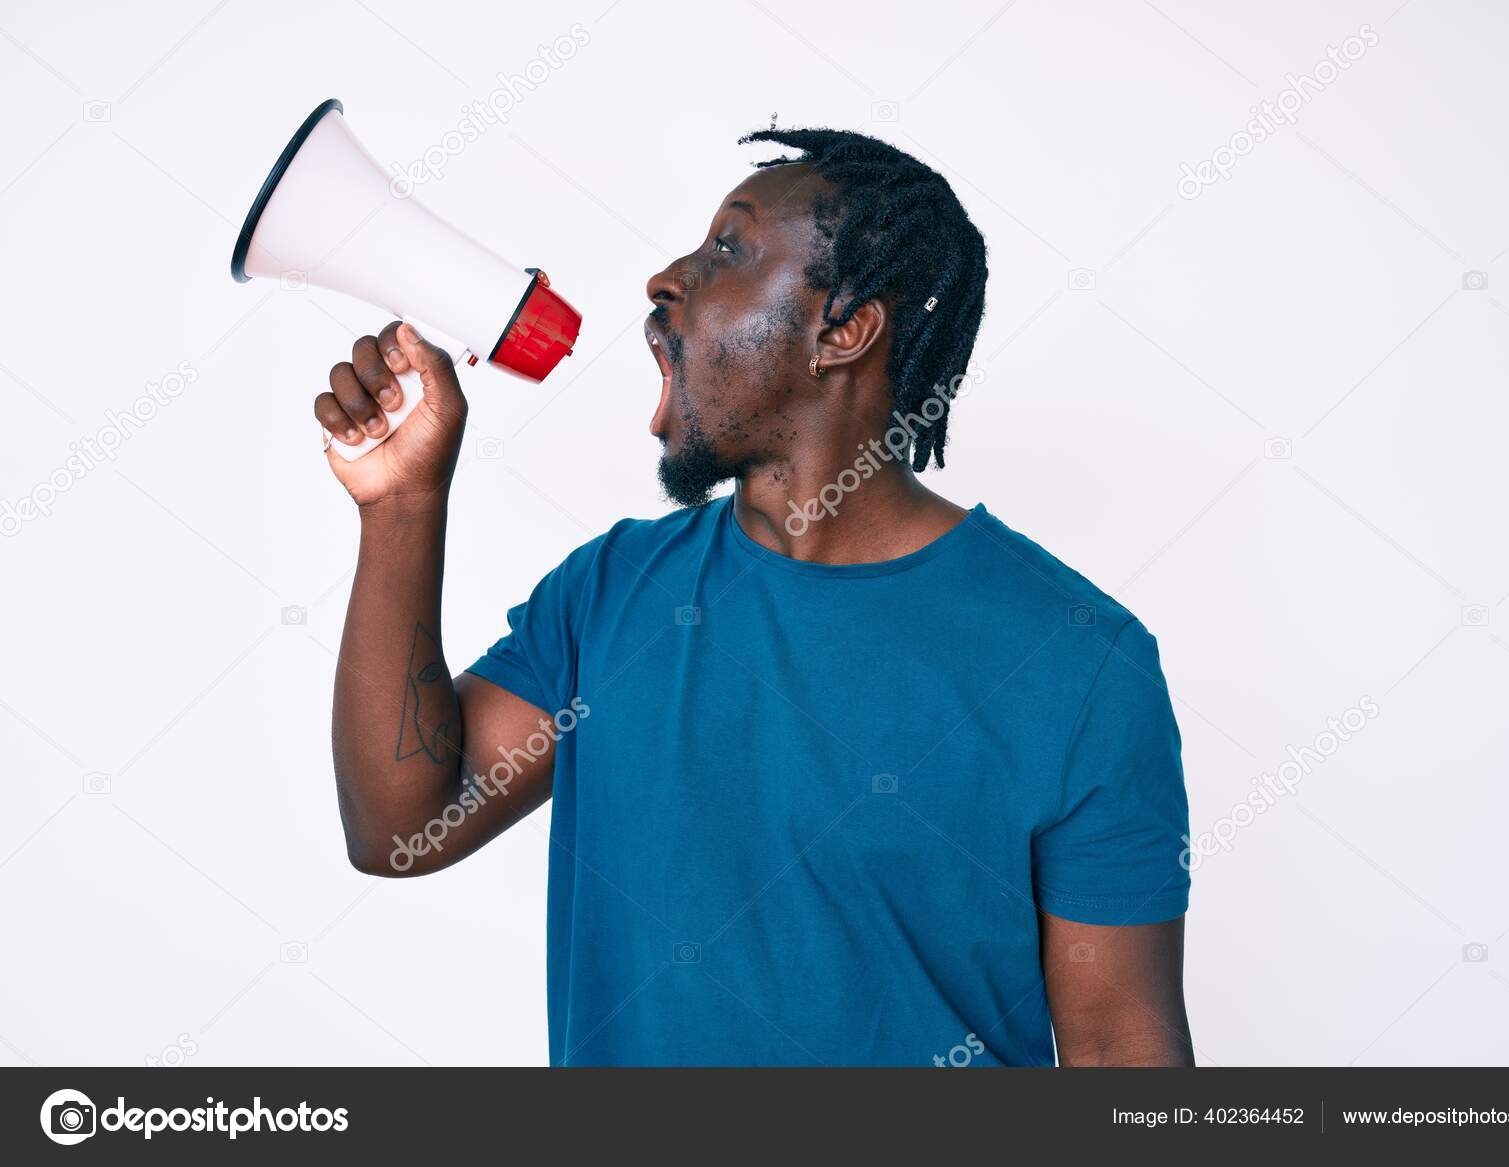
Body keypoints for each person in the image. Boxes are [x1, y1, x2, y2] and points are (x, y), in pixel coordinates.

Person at [312, 128, 1193, 1067]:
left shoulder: (1078, 660)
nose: (666, 278)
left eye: (727, 249)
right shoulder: (609, 593)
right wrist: (404, 506)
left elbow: (1119, 1050)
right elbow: (401, 824)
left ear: (844, 328)